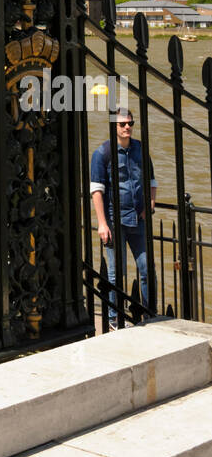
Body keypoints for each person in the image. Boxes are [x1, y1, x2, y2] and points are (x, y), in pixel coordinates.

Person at [90, 109, 156, 325]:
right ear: (113, 127)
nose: (127, 127)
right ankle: (114, 318)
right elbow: (96, 190)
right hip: (113, 221)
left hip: (138, 220)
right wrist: (101, 223)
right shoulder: (102, 153)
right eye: (122, 124)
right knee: (115, 274)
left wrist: (150, 203)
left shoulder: (140, 149)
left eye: (130, 123)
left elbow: (151, 180)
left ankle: (149, 313)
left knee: (146, 268)